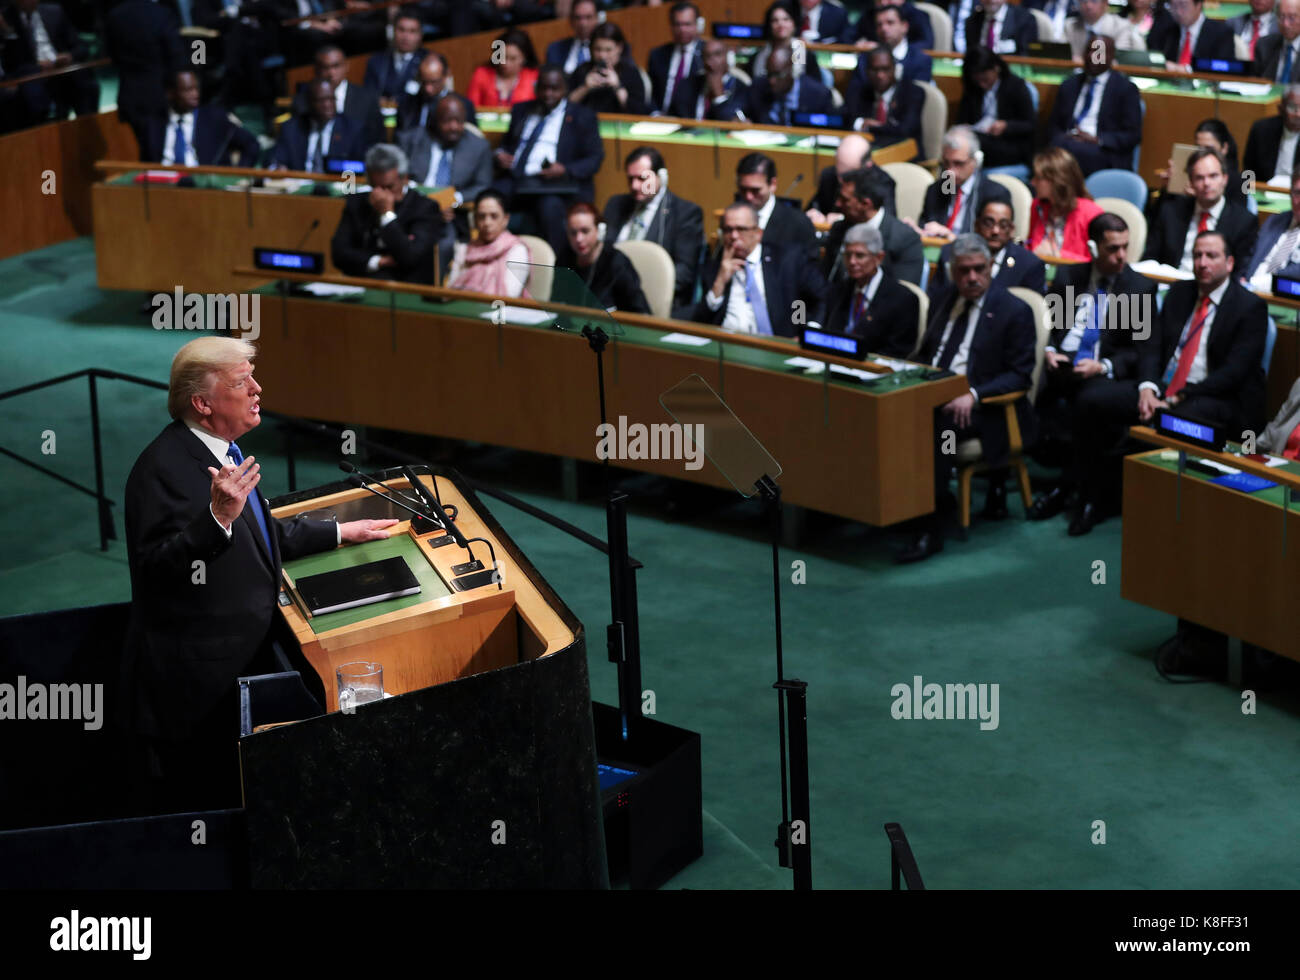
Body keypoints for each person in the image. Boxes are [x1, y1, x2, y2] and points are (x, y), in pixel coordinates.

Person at [120, 336, 397, 811]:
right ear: (203, 403)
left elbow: (261, 534)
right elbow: (156, 572)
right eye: (241, 381)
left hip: (245, 663)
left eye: (253, 375)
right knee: (215, 813)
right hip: (201, 694)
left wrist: (340, 532)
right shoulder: (161, 470)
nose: (257, 388)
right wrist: (217, 520)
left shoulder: (220, 451)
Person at [1067, 230, 1268, 535]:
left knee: (1170, 420)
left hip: (1213, 397)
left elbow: (1234, 374)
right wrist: (1147, 386)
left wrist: (1176, 398)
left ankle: (1135, 502)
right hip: (1162, 387)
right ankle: (1088, 495)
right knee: (1090, 400)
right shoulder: (1180, 292)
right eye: (1197, 255)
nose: (1202, 263)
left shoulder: (1250, 307)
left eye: (1211, 256)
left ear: (1229, 263)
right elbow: (1151, 346)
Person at [898, 233, 1037, 563]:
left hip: (986, 410)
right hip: (932, 392)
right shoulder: (945, 299)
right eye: (964, 271)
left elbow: (1020, 375)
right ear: (952, 271)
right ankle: (897, 505)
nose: (972, 278)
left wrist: (972, 394)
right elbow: (926, 352)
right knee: (890, 412)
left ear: (990, 267)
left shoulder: (1013, 310)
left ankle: (930, 525)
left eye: (979, 269)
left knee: (935, 426)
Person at [1030, 211, 1158, 531]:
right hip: (1067, 364)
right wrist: (1049, 353)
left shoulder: (1137, 288)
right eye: (1112, 249)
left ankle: (1075, 491)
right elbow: (1054, 328)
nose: (1121, 257)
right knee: (1034, 380)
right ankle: (1003, 477)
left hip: (1106, 371)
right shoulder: (1068, 278)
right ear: (1092, 248)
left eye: (1125, 247)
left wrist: (1103, 365)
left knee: (1089, 398)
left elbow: (1140, 352)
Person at [492, 65, 605, 254]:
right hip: (519, 179)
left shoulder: (582, 116)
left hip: (557, 185)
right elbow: (506, 145)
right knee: (492, 197)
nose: (548, 94)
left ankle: (556, 266)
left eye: (554, 89)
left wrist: (565, 169)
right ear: (536, 88)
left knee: (549, 207)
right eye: (543, 88)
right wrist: (500, 155)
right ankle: (493, 258)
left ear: (565, 89)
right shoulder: (521, 110)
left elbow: (595, 159)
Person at [694, 201, 827, 335]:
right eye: (728, 230)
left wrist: (807, 332)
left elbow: (816, 299)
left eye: (741, 229)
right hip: (727, 342)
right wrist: (720, 282)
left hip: (779, 344)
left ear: (758, 233)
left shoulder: (787, 260)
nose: (734, 236)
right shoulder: (716, 265)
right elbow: (702, 319)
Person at [603, 146, 705, 318]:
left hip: (651, 301)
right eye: (630, 179)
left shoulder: (685, 213)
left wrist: (634, 288)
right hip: (608, 298)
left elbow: (684, 273)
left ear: (662, 177)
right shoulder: (616, 204)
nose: (635, 186)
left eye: (642, 179)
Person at [330, 144, 443, 283]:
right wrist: (378, 261)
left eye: (388, 187)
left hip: (407, 288)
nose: (380, 194)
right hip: (362, 283)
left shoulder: (425, 208)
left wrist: (387, 216)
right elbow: (338, 253)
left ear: (405, 179)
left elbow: (410, 257)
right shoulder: (356, 203)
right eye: (375, 187)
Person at [1144, 147, 1258, 273]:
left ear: (1224, 179)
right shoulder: (1171, 211)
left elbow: (1240, 272)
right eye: (1199, 178)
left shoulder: (1243, 221)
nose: (1207, 183)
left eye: (1213, 176)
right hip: (1170, 284)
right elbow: (1150, 257)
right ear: (1191, 182)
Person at [1046, 35, 1143, 177]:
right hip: (1068, 143)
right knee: (1053, 152)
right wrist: (1065, 136)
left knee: (1072, 156)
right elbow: (1053, 125)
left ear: (1111, 56)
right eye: (1089, 51)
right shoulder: (1069, 85)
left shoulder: (1126, 89)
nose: (1092, 56)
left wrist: (1098, 139)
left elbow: (1132, 136)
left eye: (1098, 52)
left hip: (1102, 149)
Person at [822, 224, 919, 356]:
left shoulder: (903, 299)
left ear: (878, 258)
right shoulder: (838, 290)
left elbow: (898, 350)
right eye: (848, 255)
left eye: (860, 256)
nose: (852, 262)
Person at [821, 167, 924, 286]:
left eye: (845, 200)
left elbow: (905, 293)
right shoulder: (839, 228)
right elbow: (825, 277)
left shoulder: (905, 239)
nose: (837, 203)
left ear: (865, 204)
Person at [103, 0, 183, 153]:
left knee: (146, 151)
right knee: (164, 152)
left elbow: (112, 56)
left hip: (131, 96)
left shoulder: (115, 16)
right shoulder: (162, 13)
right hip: (160, 96)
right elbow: (175, 55)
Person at [0, 0, 99, 121]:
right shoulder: (6, 19)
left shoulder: (54, 11)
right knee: (32, 94)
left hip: (62, 68)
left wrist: (69, 56)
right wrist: (38, 67)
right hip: (32, 74)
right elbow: (10, 62)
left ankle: (88, 124)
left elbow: (80, 47)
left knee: (86, 84)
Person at [929, 199, 1047, 300]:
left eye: (1003, 225)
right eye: (989, 223)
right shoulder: (950, 254)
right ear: (976, 225)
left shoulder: (1029, 265)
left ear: (1011, 230)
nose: (995, 231)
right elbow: (936, 300)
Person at [910, 125, 1012, 240]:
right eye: (946, 163)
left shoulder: (995, 194)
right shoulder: (936, 190)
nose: (950, 171)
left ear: (976, 161)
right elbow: (926, 227)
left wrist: (951, 238)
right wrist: (917, 232)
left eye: (958, 164)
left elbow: (994, 243)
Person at [141, 70, 260, 167]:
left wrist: (237, 175)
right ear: (170, 93)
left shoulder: (214, 118)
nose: (195, 94)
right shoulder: (154, 123)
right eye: (188, 90)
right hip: (162, 186)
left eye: (196, 88)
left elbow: (251, 144)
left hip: (204, 187)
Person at [558, 202, 652, 313]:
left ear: (599, 231)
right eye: (573, 233)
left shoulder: (617, 263)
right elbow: (555, 304)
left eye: (585, 231)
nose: (578, 239)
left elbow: (641, 313)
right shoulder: (564, 258)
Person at [291, 44, 385, 151]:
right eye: (325, 67)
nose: (331, 73)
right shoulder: (302, 100)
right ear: (316, 70)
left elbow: (377, 140)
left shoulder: (368, 98)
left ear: (346, 66)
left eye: (336, 66)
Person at [956, 48, 1035, 172]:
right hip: (978, 142)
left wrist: (1006, 126)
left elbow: (1030, 125)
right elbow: (962, 120)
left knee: (971, 144)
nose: (982, 84)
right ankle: (948, 187)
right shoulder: (972, 89)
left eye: (985, 79)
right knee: (955, 140)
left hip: (1009, 144)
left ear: (996, 68)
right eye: (978, 80)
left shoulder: (1016, 86)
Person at [447, 189, 532, 298]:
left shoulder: (517, 250)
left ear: (506, 219)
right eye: (481, 216)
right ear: (475, 219)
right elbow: (451, 289)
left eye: (494, 216)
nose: (487, 223)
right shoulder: (464, 249)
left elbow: (510, 295)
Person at [1027, 146, 1105, 262]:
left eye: (1038, 178)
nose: (1033, 183)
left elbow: (1098, 262)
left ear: (1057, 181)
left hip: (1073, 278)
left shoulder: (1091, 213)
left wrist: (1059, 255)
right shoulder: (1038, 206)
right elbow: (1031, 245)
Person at [735, 152, 818, 260]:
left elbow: (810, 271)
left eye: (755, 190)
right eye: (743, 189)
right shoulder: (732, 221)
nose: (748, 196)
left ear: (773, 184)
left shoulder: (797, 224)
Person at [271, 78, 362, 172]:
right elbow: (276, 160)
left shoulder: (351, 129)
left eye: (331, 99)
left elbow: (359, 167)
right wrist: (279, 167)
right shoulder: (291, 128)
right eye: (321, 100)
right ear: (309, 102)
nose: (327, 105)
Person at [845, 46, 924, 154]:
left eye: (885, 69)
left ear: (894, 69)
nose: (880, 75)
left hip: (905, 155)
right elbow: (844, 120)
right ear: (867, 71)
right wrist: (860, 123)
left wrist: (870, 126)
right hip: (867, 155)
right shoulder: (858, 92)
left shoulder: (912, 93)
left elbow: (905, 131)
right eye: (875, 70)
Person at [806, 133, 897, 222]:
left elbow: (887, 223)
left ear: (867, 166)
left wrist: (842, 220)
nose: (840, 180)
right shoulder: (829, 175)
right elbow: (815, 206)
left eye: (848, 175)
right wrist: (814, 215)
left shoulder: (883, 183)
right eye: (839, 170)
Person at [567, 22, 649, 115]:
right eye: (598, 49)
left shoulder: (631, 73)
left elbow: (639, 112)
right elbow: (565, 107)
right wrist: (585, 87)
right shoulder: (582, 70)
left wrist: (617, 86)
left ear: (619, 48)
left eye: (608, 50)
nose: (602, 56)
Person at [743, 42, 833, 126]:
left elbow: (830, 127)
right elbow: (739, 112)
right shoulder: (757, 87)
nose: (772, 81)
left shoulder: (819, 94)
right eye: (769, 75)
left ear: (791, 71)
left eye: (778, 75)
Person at [667, 37, 748, 120]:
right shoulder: (687, 84)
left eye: (717, 54)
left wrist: (719, 96)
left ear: (728, 58)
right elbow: (674, 114)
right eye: (707, 56)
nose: (710, 62)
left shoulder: (741, 88)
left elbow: (731, 120)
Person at [850, 3, 932, 84]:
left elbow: (919, 95)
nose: (884, 29)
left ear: (904, 26)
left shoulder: (921, 60)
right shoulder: (865, 59)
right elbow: (854, 94)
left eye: (890, 22)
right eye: (879, 24)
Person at [1244, 170, 1300, 285]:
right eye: (1298, 193)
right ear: (1290, 193)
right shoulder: (1275, 220)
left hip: (1282, 295)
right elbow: (1250, 253)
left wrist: (1259, 283)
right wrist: (1242, 277)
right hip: (1247, 289)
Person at [397, 52, 478, 132]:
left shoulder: (463, 106)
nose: (428, 88)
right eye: (424, 82)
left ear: (446, 76)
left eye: (434, 82)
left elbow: (472, 140)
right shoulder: (407, 104)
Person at [648, 2, 703, 114]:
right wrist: (655, 114)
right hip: (661, 120)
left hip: (693, 122)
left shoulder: (707, 55)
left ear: (697, 25)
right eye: (677, 24)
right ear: (671, 26)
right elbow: (650, 93)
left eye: (687, 24)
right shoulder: (657, 54)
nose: (682, 29)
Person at [466, 28, 539, 110]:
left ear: (524, 58)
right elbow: (471, 109)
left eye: (513, 58)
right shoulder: (482, 74)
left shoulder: (534, 76)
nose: (505, 63)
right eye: (502, 57)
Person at [1242, 84, 1300, 187]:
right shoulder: (1261, 130)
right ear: (1281, 109)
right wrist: (1247, 192)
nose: (1298, 114)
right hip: (1266, 189)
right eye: (1292, 107)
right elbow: (1248, 169)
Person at [362, 7, 424, 99]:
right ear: (392, 32)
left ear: (420, 35)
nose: (405, 36)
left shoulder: (428, 61)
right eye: (401, 30)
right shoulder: (376, 61)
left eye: (412, 31)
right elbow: (369, 97)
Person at [750, 1, 818, 80]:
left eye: (786, 19)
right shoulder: (761, 53)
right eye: (775, 20)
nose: (781, 24)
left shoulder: (804, 53)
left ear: (794, 23)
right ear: (769, 25)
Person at [1157, 0, 1235, 69]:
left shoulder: (1221, 32)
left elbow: (1223, 66)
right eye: (1174, 6)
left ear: (1198, 5)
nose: (1178, 12)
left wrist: (1188, 70)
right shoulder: (1166, 29)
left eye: (1183, 6)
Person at [1064, 0, 1146, 55]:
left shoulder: (1121, 26)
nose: (1088, 5)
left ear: (1105, 4)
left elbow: (1117, 58)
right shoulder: (1069, 25)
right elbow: (1063, 56)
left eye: (1094, 1)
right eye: (1084, 1)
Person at [545, 0, 602, 74]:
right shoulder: (555, 49)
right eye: (578, 18)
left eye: (588, 17)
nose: (583, 23)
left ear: (597, 18)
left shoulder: (606, 49)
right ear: (571, 20)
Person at [964, 0, 1039, 55]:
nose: (991, 1)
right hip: (981, 72)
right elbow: (971, 55)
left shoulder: (1024, 19)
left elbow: (1026, 56)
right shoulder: (972, 21)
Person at [1254, 0, 1300, 82]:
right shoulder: (1264, 45)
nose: (1285, 24)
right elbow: (1255, 81)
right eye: (1281, 17)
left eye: (1292, 18)